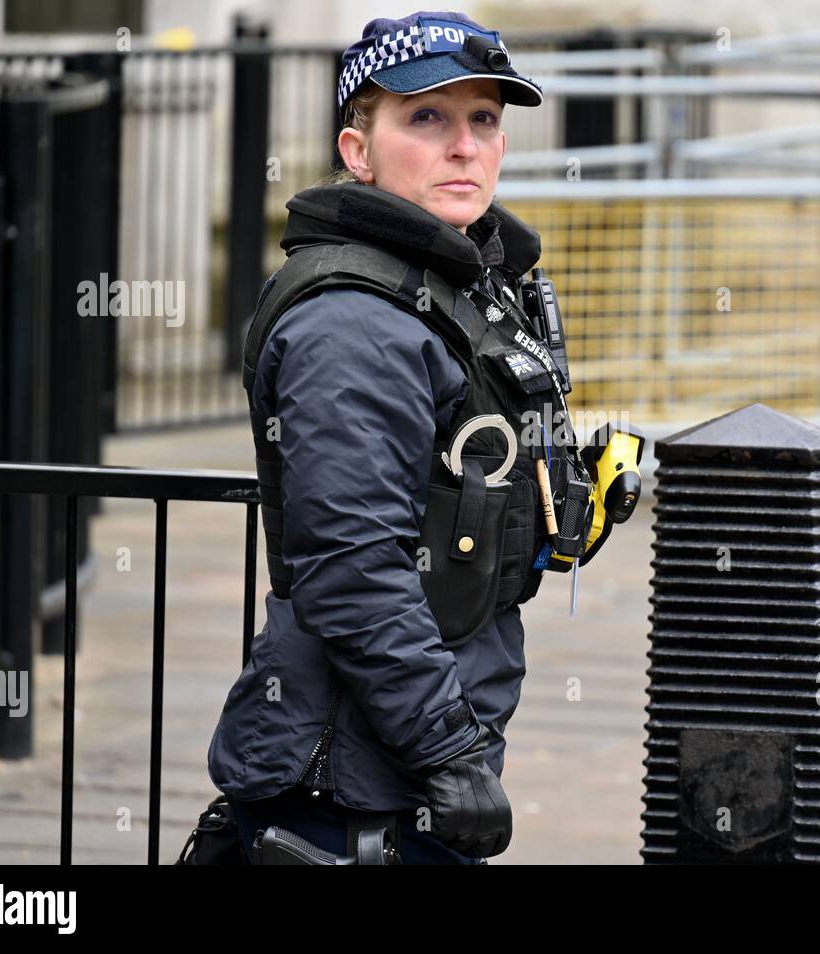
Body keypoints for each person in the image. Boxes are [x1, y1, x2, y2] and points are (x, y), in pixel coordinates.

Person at [206, 11, 586, 865]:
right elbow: (350, 567)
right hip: (350, 793)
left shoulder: (450, 284)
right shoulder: (355, 323)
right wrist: (448, 752)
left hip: (401, 771)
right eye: (426, 119)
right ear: (357, 151)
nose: (465, 148)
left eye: (483, 119)